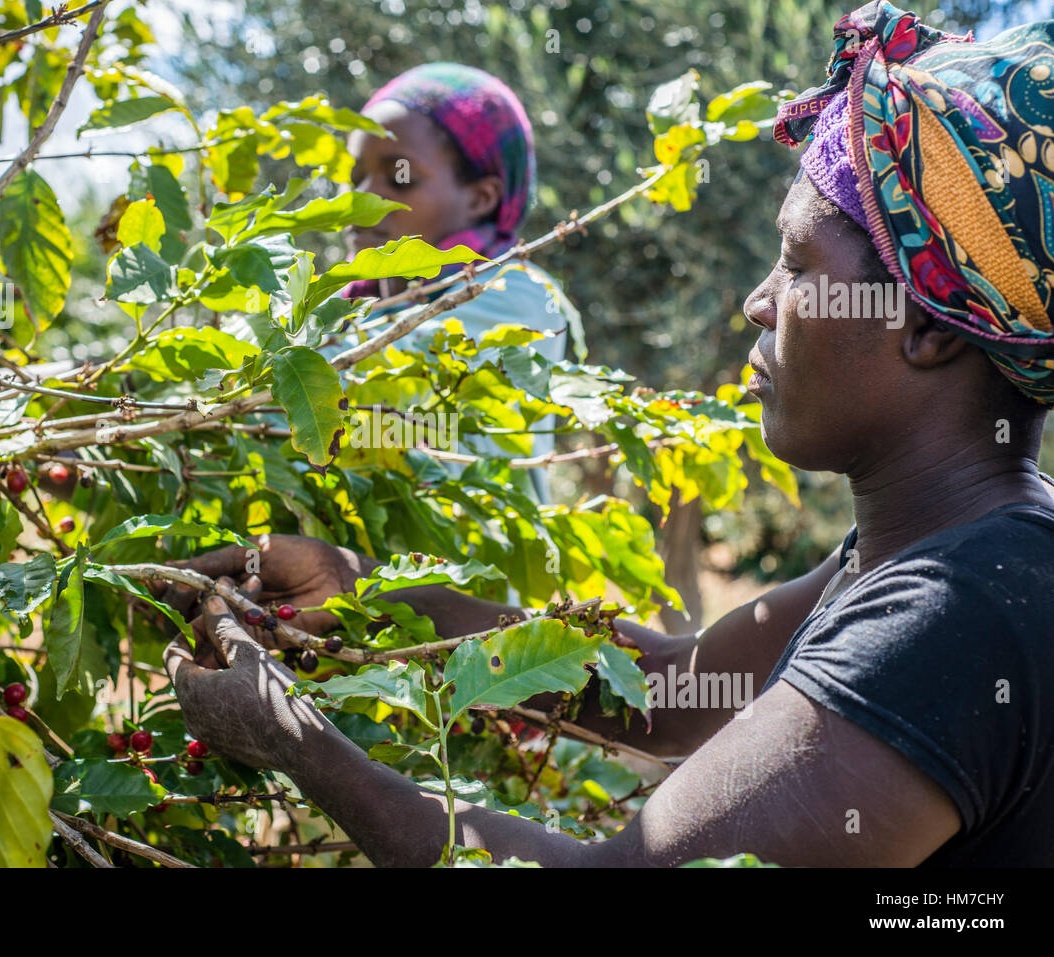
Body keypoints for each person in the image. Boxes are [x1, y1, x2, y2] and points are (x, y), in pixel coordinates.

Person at [156, 3, 1054, 866]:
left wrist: (299, 744)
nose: (758, 302)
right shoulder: (929, 558)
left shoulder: (964, 613)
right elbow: (665, 693)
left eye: (797, 263)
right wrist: (364, 598)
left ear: (930, 325)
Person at [335, 62, 572, 502]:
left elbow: (363, 401)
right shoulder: (343, 307)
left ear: (481, 198)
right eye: (356, 178)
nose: (361, 198)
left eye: (399, 177)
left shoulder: (514, 293)